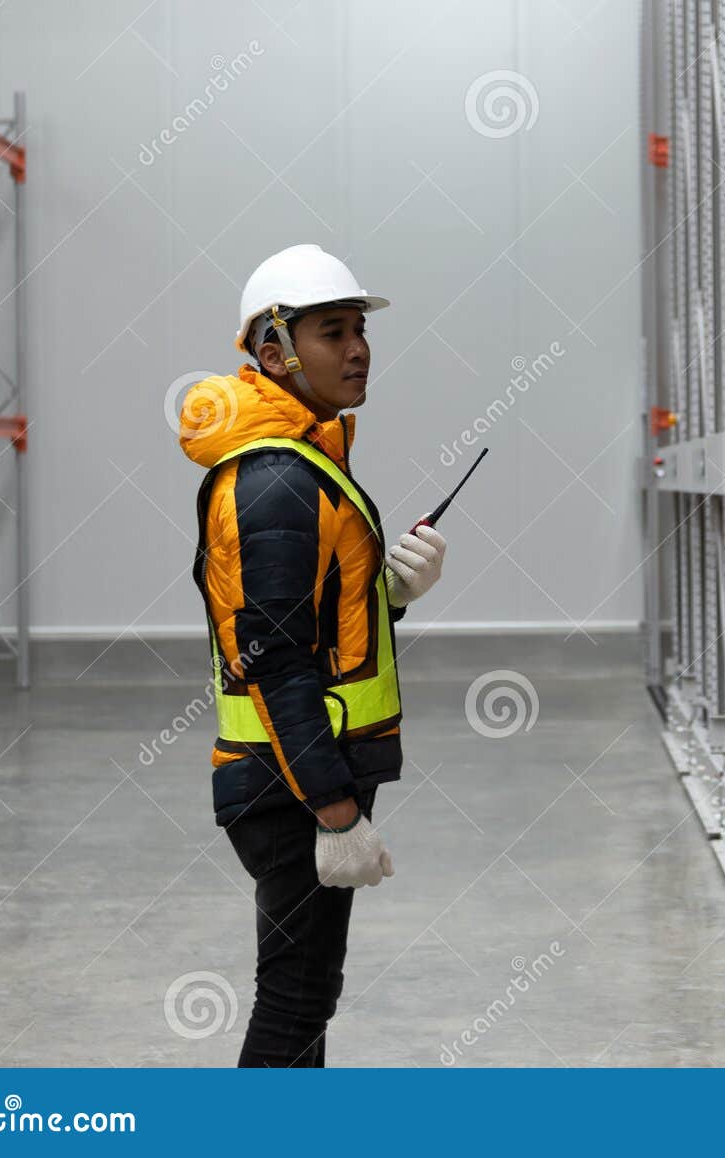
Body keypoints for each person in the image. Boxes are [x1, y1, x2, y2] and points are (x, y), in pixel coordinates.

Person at [176, 243, 448, 1067]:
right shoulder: (276, 481)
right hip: (291, 786)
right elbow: (275, 661)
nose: (358, 349)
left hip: (299, 772)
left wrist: (390, 595)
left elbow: (313, 628)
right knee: (295, 997)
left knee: (305, 992)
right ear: (274, 354)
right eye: (333, 332)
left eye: (360, 331)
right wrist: (335, 813)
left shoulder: (305, 460)